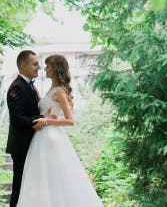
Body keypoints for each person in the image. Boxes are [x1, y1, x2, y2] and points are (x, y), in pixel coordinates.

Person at [16, 54, 103, 206]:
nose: (45, 69)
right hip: (41, 138)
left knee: (55, 176)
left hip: (52, 138)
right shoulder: (51, 89)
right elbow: (48, 107)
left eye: (48, 66)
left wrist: (46, 120)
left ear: (56, 69)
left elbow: (70, 120)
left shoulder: (61, 92)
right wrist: (38, 97)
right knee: (43, 177)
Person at [6, 50, 46, 207]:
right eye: (35, 64)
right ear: (23, 66)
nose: (39, 67)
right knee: (20, 184)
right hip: (21, 145)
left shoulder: (28, 86)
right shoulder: (17, 87)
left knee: (30, 185)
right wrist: (41, 118)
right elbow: (17, 118)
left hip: (32, 143)